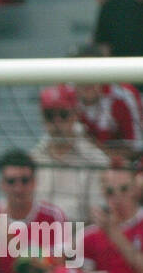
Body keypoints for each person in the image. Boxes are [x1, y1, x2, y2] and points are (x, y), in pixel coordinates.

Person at [31, 85, 110, 223]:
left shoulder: (96, 160)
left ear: (76, 115)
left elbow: (97, 218)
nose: (57, 123)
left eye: (63, 115)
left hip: (78, 238)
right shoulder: (32, 160)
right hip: (37, 236)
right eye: (49, 116)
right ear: (42, 118)